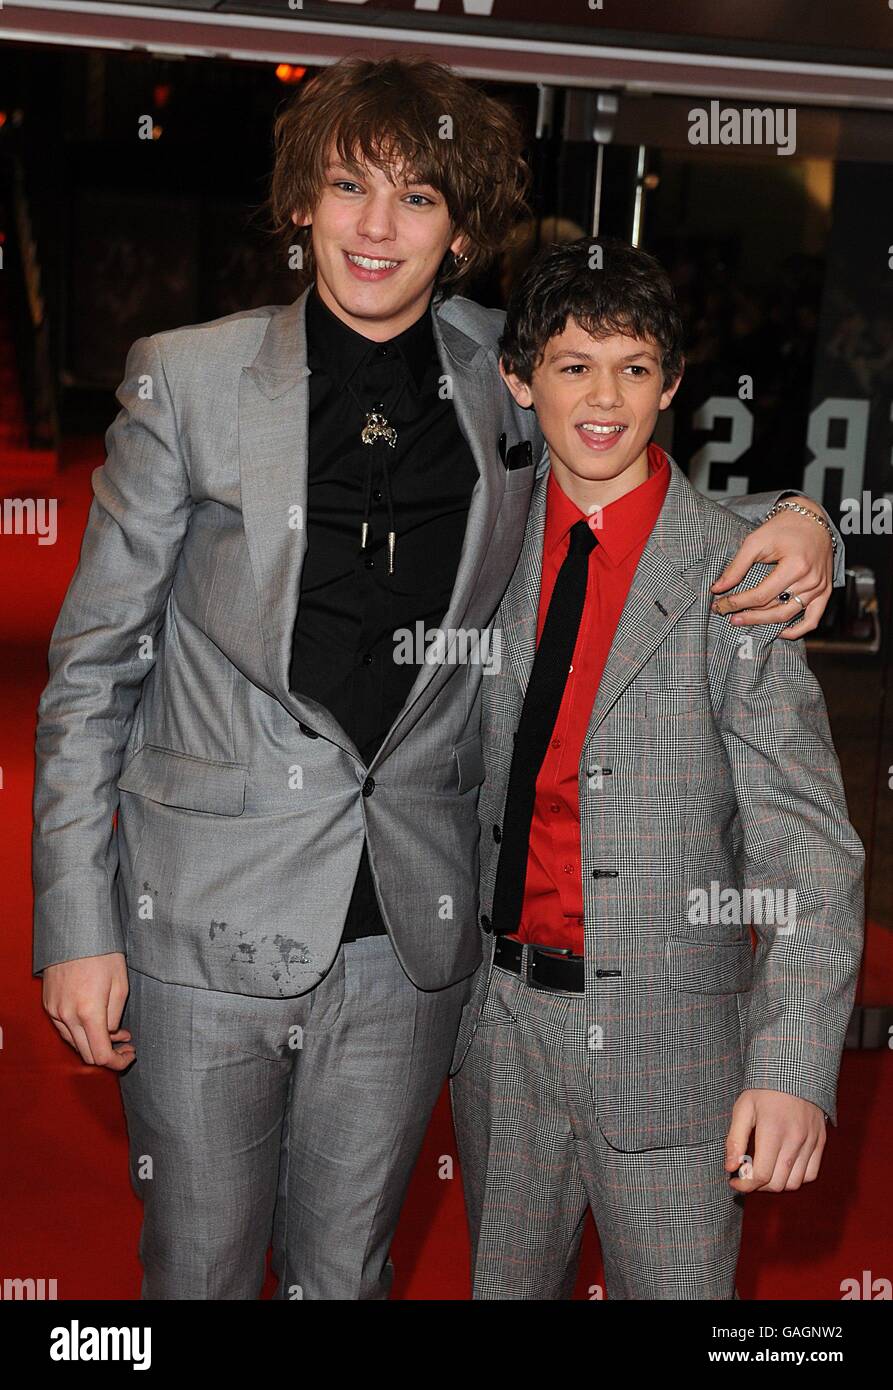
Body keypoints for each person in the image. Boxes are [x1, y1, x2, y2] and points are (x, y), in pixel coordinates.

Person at [33, 57, 844, 1300]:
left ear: (458, 231)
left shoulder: (498, 377)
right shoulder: (186, 377)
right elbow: (93, 670)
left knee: (347, 1270)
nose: (375, 227)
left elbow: (619, 476)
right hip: (197, 929)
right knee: (195, 1269)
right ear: (301, 200)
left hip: (408, 948)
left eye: (415, 200)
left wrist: (802, 519)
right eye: (349, 186)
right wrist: (76, 925)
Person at [449, 236, 865, 1300]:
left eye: (632, 367)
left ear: (671, 382)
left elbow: (809, 848)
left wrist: (790, 1066)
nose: (603, 398)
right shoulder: (477, 544)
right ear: (518, 378)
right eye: (571, 365)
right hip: (497, 1034)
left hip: (676, 1052)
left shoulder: (739, 570)